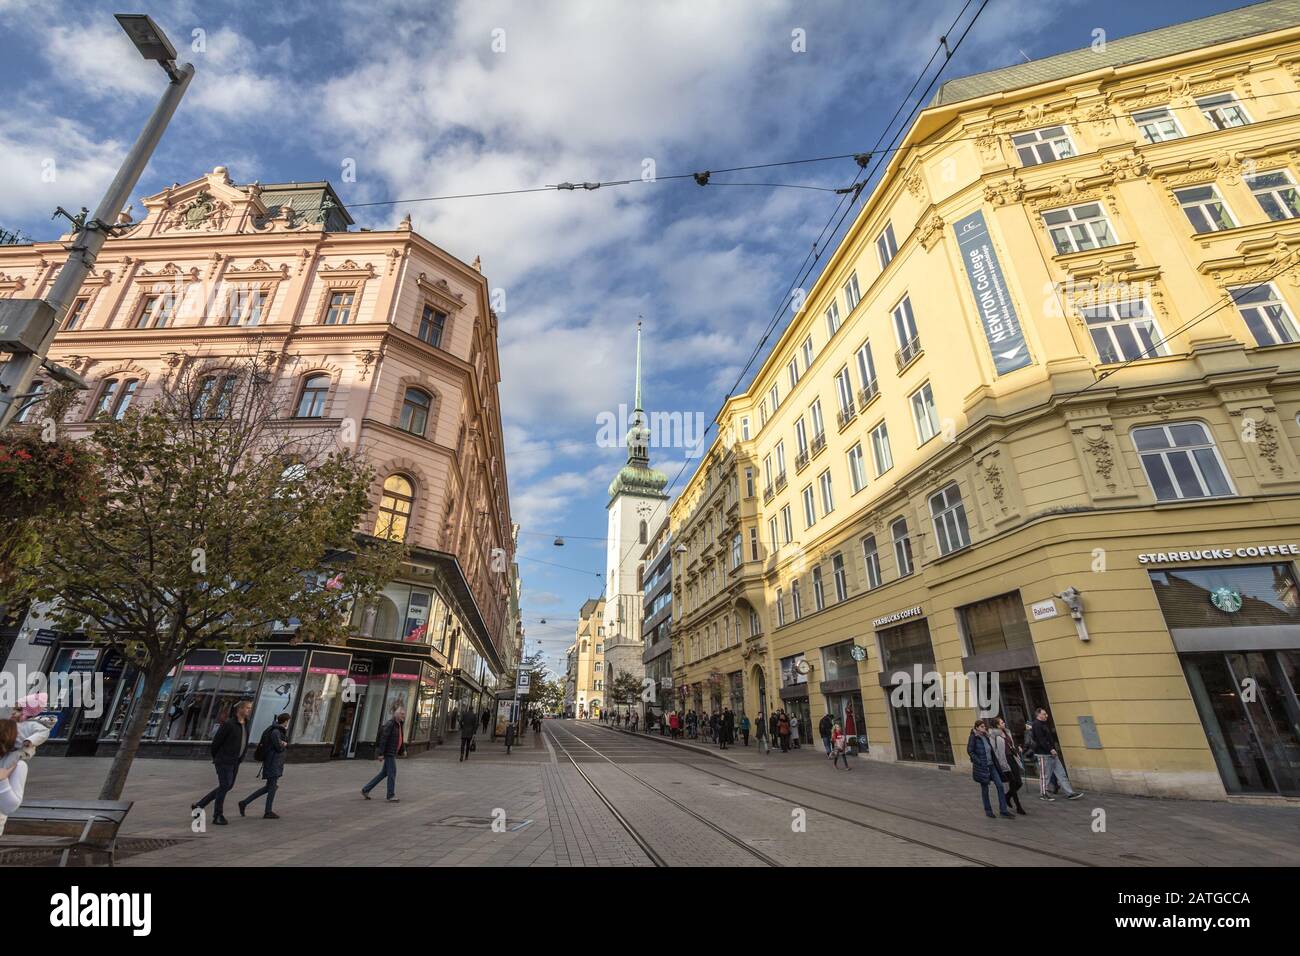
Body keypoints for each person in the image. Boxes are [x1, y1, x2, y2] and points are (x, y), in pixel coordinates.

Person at [194, 699, 252, 825]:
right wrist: (218, 757)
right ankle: (217, 815)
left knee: (227, 786)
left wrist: (241, 757)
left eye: (250, 708)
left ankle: (200, 805)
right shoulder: (229, 724)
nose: (249, 710)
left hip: (236, 761)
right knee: (225, 785)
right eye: (247, 708)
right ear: (240, 709)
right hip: (225, 760)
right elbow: (216, 743)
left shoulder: (246, 724)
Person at [239, 712, 289, 819]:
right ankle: (268, 811)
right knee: (272, 787)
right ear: (285, 721)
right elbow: (278, 747)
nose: (288, 723)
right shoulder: (275, 732)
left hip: (274, 762)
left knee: (269, 787)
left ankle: (244, 802)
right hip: (272, 762)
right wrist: (284, 744)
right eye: (288, 721)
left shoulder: (276, 730)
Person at [1029, 708, 1083, 801]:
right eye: (1044, 714)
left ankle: (1070, 793)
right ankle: (1044, 794)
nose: (1046, 715)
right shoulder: (1036, 725)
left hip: (1052, 753)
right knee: (1045, 775)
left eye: (1046, 714)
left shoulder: (1043, 724)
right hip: (1043, 754)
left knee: (1061, 774)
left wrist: (1053, 749)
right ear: (1038, 715)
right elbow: (1041, 740)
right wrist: (1050, 749)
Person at [968, 719, 1013, 819]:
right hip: (982, 767)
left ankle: (1003, 810)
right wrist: (979, 761)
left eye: (984, 726)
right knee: (985, 789)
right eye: (982, 727)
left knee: (1000, 785)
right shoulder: (973, 737)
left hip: (992, 765)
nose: (984, 728)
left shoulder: (986, 736)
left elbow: (990, 750)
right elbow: (970, 751)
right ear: (977, 728)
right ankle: (988, 810)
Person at [362, 702, 406, 802]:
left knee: (384, 773)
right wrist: (381, 754)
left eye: (404, 713)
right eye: (401, 713)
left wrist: (402, 750)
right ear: (395, 713)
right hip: (389, 753)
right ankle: (390, 795)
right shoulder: (390, 724)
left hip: (392, 752)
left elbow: (400, 738)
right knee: (392, 773)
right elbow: (383, 739)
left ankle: (366, 789)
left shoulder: (399, 724)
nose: (404, 715)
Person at [990, 716, 1026, 816]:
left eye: (1003, 722)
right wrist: (998, 762)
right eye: (1001, 723)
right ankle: (1018, 806)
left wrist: (1017, 749)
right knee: (1013, 782)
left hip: (1012, 758)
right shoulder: (994, 735)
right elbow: (993, 749)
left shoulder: (1007, 732)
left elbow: (1012, 744)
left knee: (1019, 782)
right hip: (1004, 760)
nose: (1004, 723)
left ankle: (1007, 796)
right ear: (997, 725)